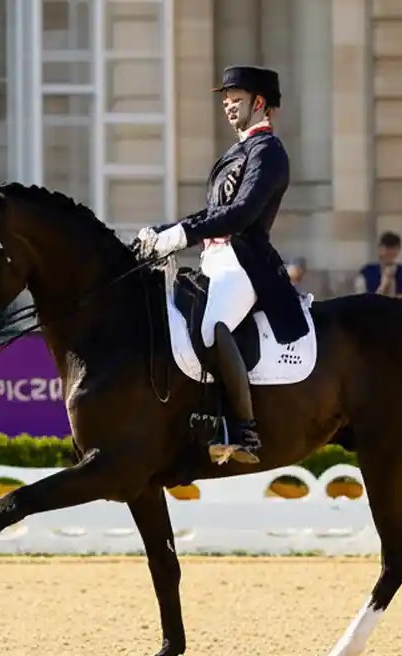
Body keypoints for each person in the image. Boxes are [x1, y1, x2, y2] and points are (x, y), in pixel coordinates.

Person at [135, 65, 308, 465]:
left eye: (236, 101)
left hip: (244, 260)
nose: (228, 108)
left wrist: (178, 237)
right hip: (213, 257)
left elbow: (242, 213)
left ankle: (243, 430)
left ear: (259, 103)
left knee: (214, 327)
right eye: (226, 102)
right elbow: (212, 212)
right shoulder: (237, 152)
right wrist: (164, 231)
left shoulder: (269, 152)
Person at [354, 232, 402, 296]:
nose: (387, 252)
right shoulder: (366, 272)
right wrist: (383, 285)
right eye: (385, 248)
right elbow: (361, 301)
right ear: (379, 249)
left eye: (392, 249)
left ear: (398, 250)